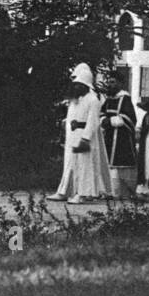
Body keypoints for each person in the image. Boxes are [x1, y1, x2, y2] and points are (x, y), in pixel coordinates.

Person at [48, 63, 108, 203]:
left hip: (84, 137)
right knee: (70, 163)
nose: (75, 87)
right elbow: (72, 117)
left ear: (86, 85)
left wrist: (85, 138)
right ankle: (66, 190)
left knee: (85, 165)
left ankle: (84, 193)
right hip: (72, 136)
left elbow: (93, 122)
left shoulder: (93, 100)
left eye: (79, 84)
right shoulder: (75, 100)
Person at [101, 78, 139, 198]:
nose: (109, 85)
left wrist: (111, 121)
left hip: (123, 138)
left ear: (120, 83)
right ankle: (111, 191)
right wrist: (103, 120)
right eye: (109, 82)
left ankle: (125, 192)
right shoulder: (108, 99)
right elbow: (101, 113)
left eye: (113, 82)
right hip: (110, 136)